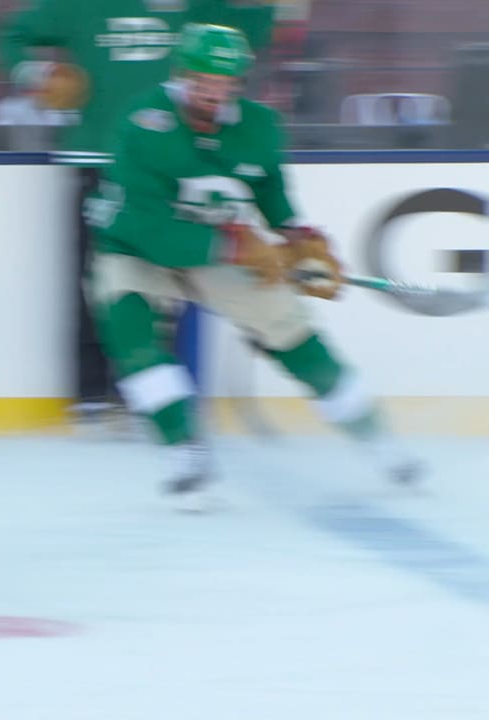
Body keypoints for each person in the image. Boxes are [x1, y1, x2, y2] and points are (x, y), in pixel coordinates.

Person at [84, 23, 422, 510]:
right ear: (181, 76)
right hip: (133, 246)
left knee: (291, 329)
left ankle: (380, 441)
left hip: (223, 241)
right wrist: (237, 248)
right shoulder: (143, 124)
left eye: (224, 84)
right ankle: (184, 452)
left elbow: (270, 188)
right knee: (131, 335)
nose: (213, 94)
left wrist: (297, 238)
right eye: (202, 82)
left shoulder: (259, 125)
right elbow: (147, 225)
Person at [0, 1, 276, 430]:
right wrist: (37, 74)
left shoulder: (195, 6)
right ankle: (91, 393)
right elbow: (10, 36)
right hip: (95, 158)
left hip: (167, 166)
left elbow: (255, 26)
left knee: (173, 279)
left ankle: (151, 393)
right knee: (95, 282)